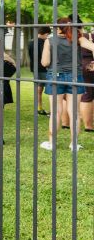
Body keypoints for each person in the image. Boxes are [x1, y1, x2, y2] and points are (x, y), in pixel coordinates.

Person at [40, 17, 94, 151]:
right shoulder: (78, 38)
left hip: (55, 77)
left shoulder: (50, 40)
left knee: (55, 112)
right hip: (75, 77)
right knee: (74, 112)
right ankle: (74, 144)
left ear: (58, 27)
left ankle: (52, 143)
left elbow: (45, 63)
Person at [27, 26, 51, 115]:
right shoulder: (44, 42)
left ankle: (39, 108)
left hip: (35, 68)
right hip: (44, 68)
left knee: (39, 89)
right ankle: (51, 110)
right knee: (51, 89)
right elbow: (45, 56)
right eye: (48, 35)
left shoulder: (31, 42)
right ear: (45, 34)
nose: (47, 36)